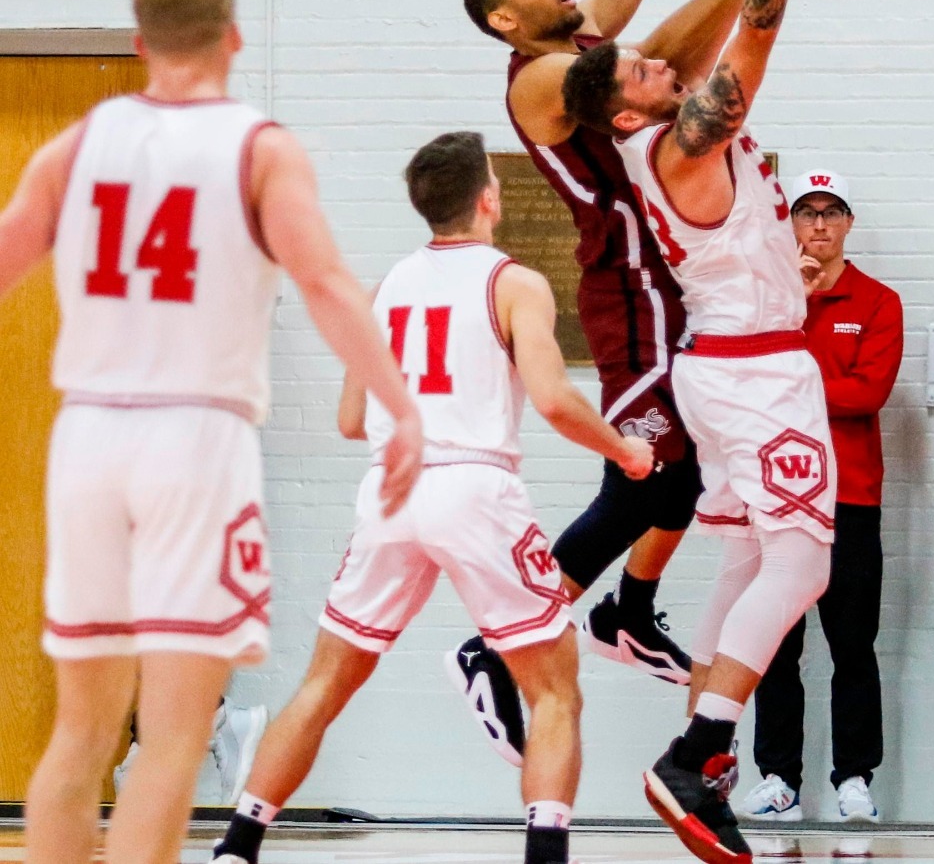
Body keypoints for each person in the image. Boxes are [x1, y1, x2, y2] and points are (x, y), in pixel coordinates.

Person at [1, 0, 423, 864]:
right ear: (234, 35)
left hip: (89, 437)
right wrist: (403, 408)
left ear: (139, 39)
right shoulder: (258, 147)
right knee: (174, 735)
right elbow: (326, 285)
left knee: (79, 731)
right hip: (194, 436)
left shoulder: (79, 144)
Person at [457, 0, 826, 750]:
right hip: (629, 291)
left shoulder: (582, 47)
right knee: (650, 479)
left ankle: (625, 609)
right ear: (504, 15)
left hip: (673, 282)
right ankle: (504, 641)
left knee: (680, 477)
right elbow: (678, 23)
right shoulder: (537, 80)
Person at [211, 132, 656, 864]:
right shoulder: (515, 282)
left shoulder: (387, 286)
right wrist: (623, 448)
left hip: (391, 486)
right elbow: (551, 397)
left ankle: (239, 843)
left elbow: (352, 419)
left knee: (326, 679)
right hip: (474, 484)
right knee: (553, 690)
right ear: (488, 196)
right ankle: (546, 856)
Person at [561, 0, 835, 864]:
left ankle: (702, 760)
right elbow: (746, 48)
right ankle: (699, 749)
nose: (663, 63)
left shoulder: (655, 136)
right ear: (626, 114)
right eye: (643, 70)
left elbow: (720, 19)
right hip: (757, 376)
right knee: (803, 560)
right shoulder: (679, 144)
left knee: (755, 556)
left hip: (734, 364)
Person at [742, 169, 905, 824]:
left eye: (830, 212)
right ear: (791, 224)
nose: (817, 224)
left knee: (852, 644)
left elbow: (867, 394)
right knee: (776, 642)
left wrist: (792, 389)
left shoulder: (877, 301)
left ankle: (854, 778)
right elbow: (749, 380)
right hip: (778, 500)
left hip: (851, 499)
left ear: (847, 224)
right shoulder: (770, 301)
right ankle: (779, 777)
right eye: (806, 212)